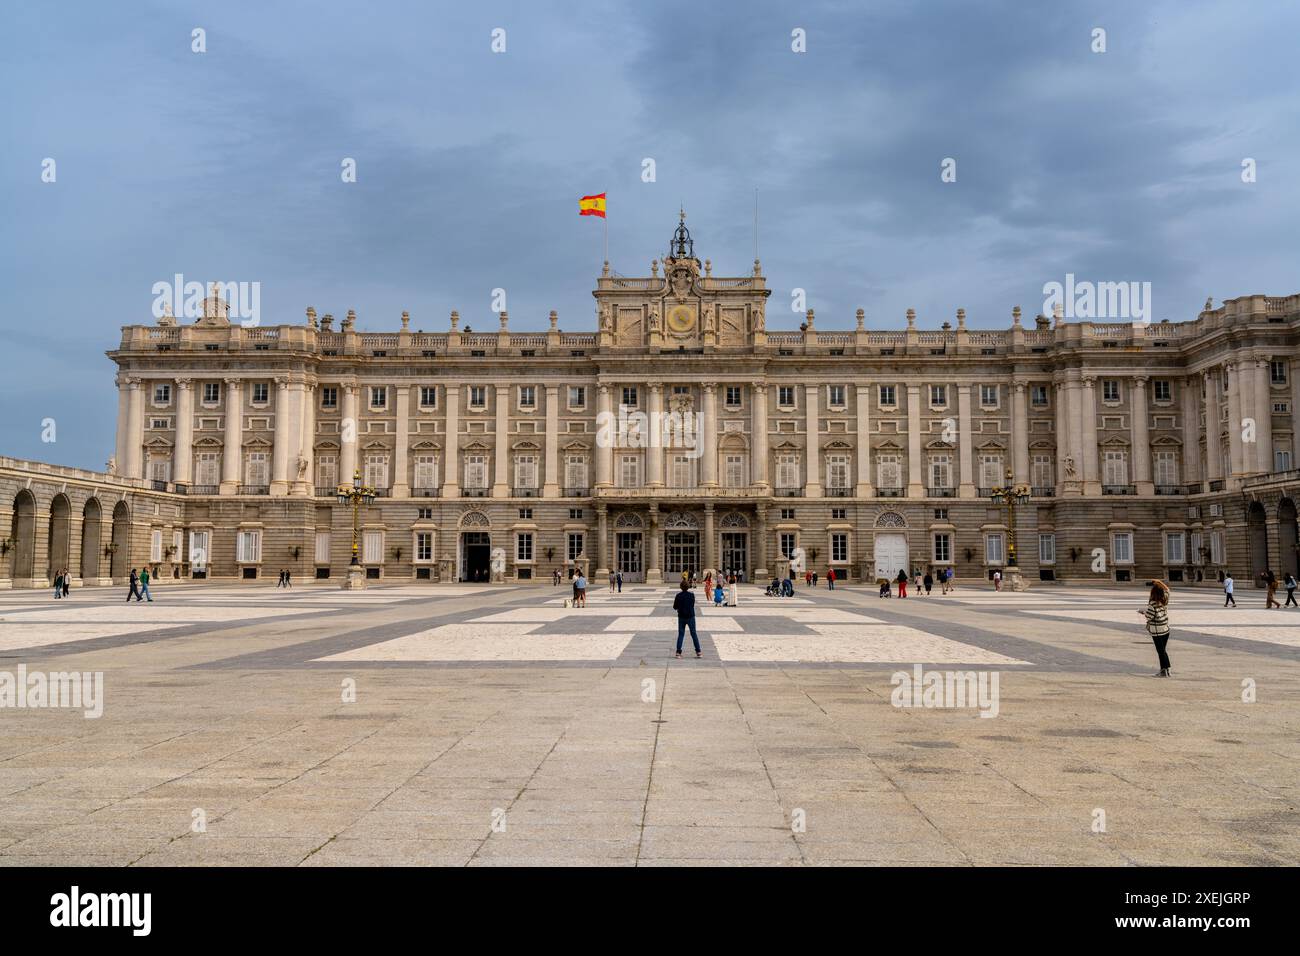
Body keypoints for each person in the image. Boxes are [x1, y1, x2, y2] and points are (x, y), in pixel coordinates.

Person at [1139, 580, 1172, 677]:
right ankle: (1166, 670)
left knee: (1161, 651)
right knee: (1163, 651)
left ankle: (1165, 671)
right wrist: (1158, 582)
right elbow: (1167, 589)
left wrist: (1143, 613)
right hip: (1166, 629)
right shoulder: (1164, 599)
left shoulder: (1152, 604)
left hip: (1157, 631)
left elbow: (1150, 616)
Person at [673, 580, 701, 659]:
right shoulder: (692, 595)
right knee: (694, 634)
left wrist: (679, 607)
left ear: (681, 587)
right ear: (688, 586)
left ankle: (678, 652)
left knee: (681, 634)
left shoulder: (678, 595)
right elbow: (692, 604)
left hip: (681, 617)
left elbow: (674, 607)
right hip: (690, 616)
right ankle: (698, 651)